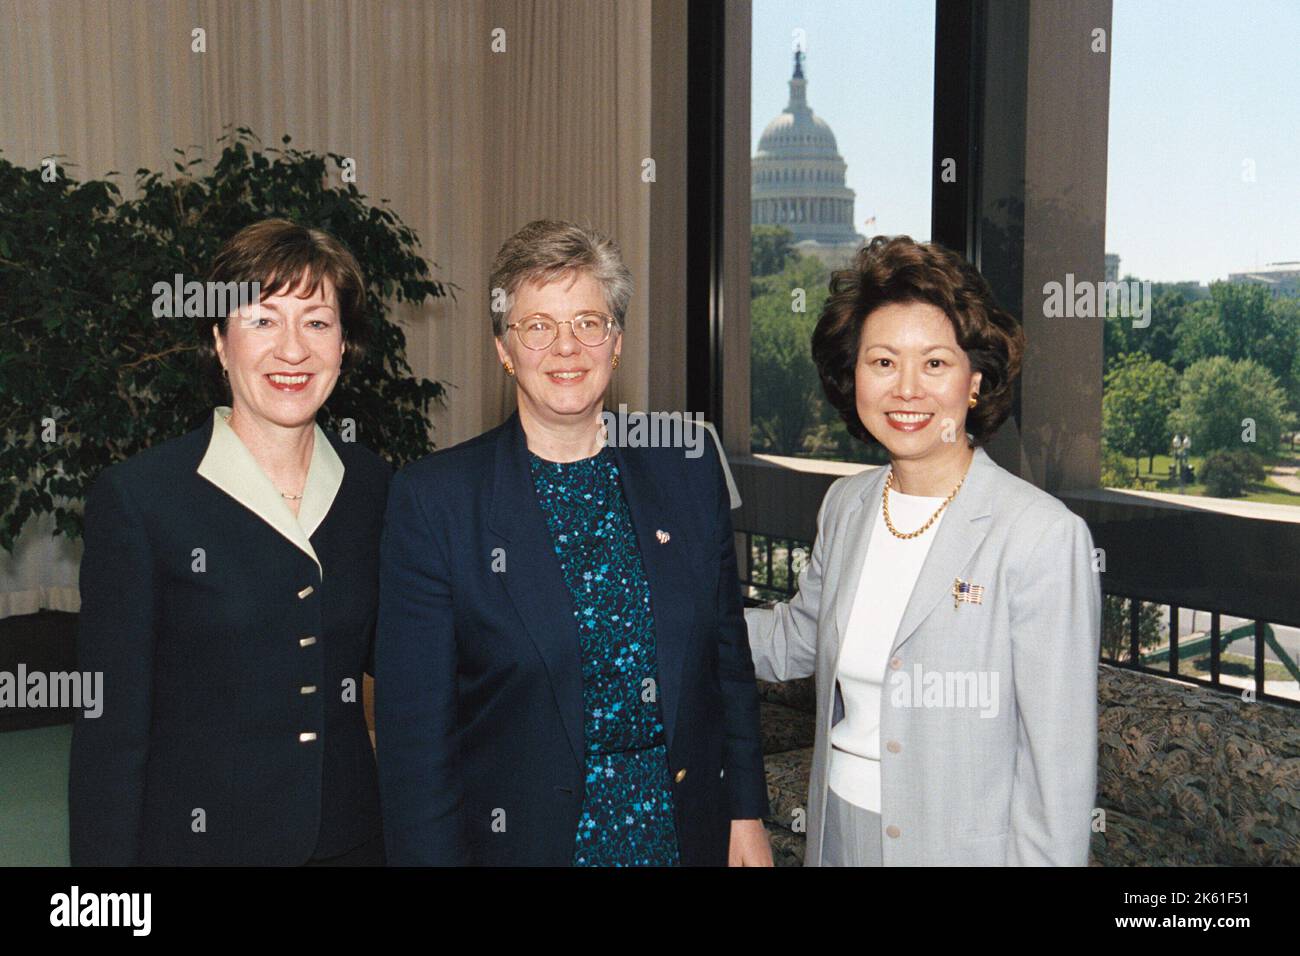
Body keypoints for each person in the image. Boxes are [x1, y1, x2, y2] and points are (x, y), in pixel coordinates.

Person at [376, 219, 772, 866]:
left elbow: (727, 663)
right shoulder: (435, 502)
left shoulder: (686, 464)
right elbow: (416, 745)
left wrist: (747, 813)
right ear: (504, 347)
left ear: (616, 342)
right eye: (538, 326)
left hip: (681, 835)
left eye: (589, 322)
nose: (567, 347)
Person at [746, 235, 1101, 866]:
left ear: (975, 381)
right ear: (851, 377)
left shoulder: (1042, 536)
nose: (907, 389)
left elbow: (1059, 773)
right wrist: (662, 609)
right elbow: (796, 640)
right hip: (836, 836)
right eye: (882, 362)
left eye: (935, 363)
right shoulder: (846, 506)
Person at [69, 219, 390, 865]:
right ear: (218, 341)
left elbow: (408, 668)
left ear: (344, 345)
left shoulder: (374, 487)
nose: (292, 350)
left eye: (318, 322)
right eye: (262, 320)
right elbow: (110, 731)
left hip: (353, 842)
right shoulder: (141, 498)